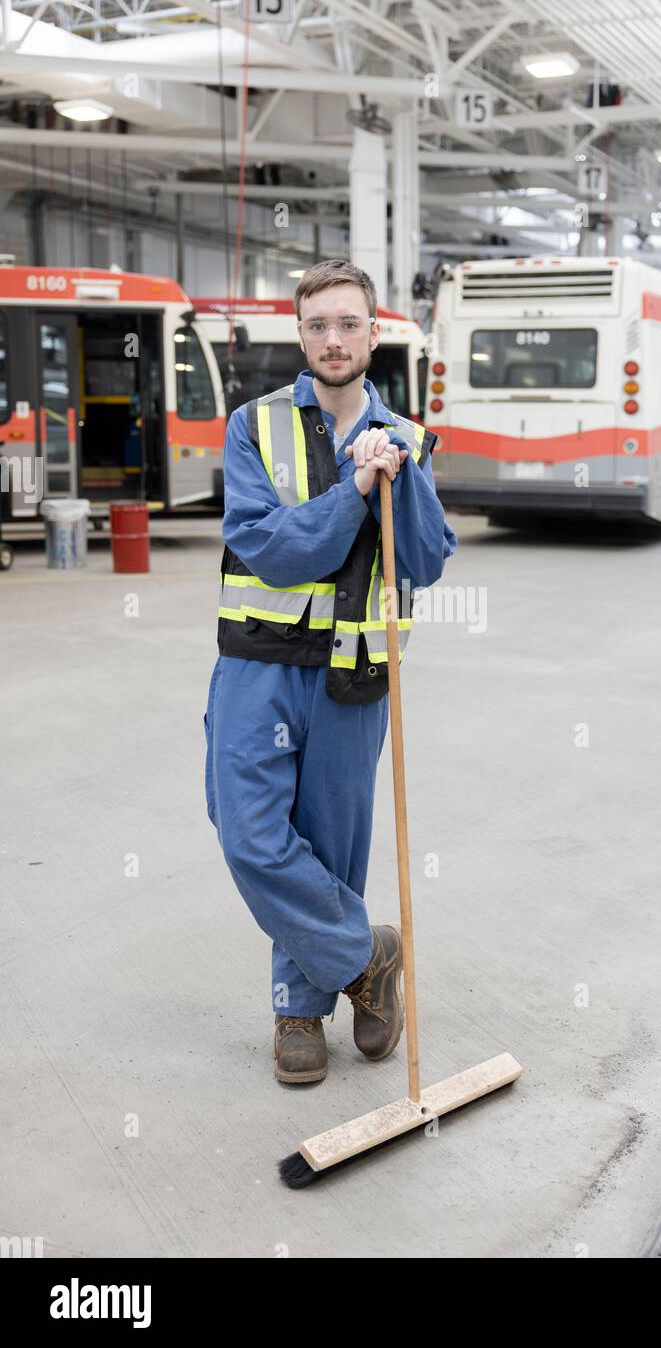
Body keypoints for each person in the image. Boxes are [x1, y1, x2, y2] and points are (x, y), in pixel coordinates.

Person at [204, 259, 457, 1084]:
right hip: (258, 664)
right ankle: (365, 958)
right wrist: (352, 489)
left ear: (373, 333)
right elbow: (272, 551)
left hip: (354, 673)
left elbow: (425, 559)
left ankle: (298, 1013)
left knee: (330, 847)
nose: (333, 339)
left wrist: (399, 475)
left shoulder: (409, 437)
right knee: (248, 833)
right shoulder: (253, 426)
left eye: (349, 324)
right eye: (317, 325)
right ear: (300, 333)